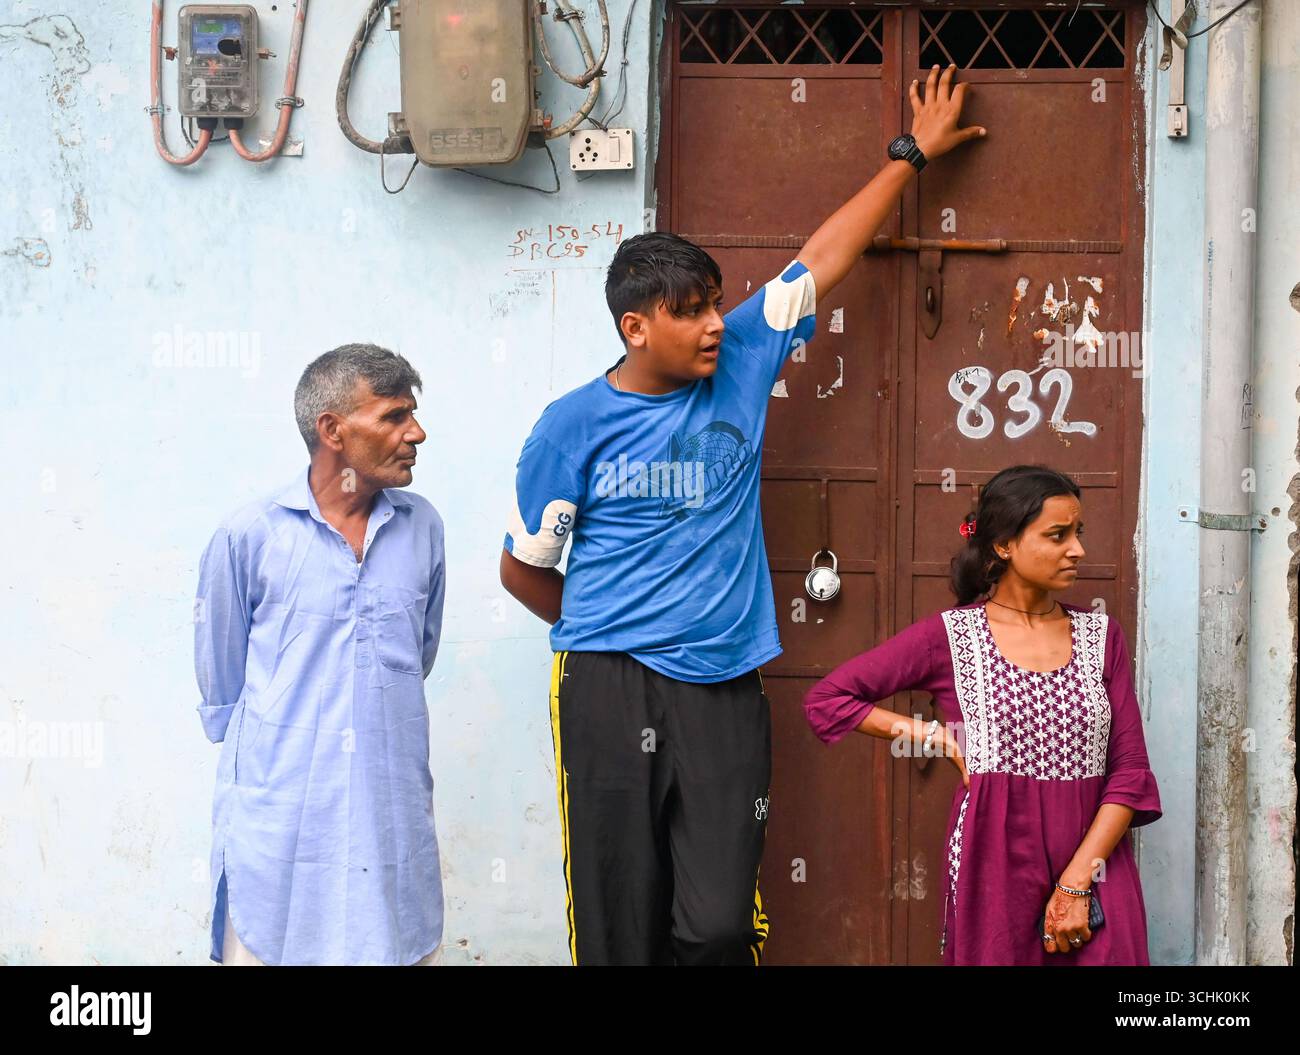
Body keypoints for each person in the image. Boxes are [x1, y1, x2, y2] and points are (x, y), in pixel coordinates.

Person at [499, 66, 987, 964]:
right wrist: (607, 629)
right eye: (690, 313)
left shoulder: (746, 356)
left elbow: (825, 254)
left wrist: (911, 155)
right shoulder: (570, 427)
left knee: (720, 920)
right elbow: (525, 565)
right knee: (617, 913)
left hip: (723, 682)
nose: (715, 323)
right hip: (605, 685)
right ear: (636, 327)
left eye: (716, 302)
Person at [804, 465, 1163, 965]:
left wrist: (1078, 882)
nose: (1077, 549)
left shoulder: (1103, 638)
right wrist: (929, 734)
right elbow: (829, 699)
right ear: (1004, 546)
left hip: (1097, 862)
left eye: (1077, 534)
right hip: (994, 865)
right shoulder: (951, 637)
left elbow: (1128, 772)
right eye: (1057, 536)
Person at [194, 343, 447, 966]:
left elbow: (419, 653)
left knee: (393, 941)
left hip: (389, 805)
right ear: (331, 430)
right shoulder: (251, 534)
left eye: (412, 414)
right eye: (393, 416)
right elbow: (222, 685)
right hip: (281, 813)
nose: (416, 432)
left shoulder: (423, 527)